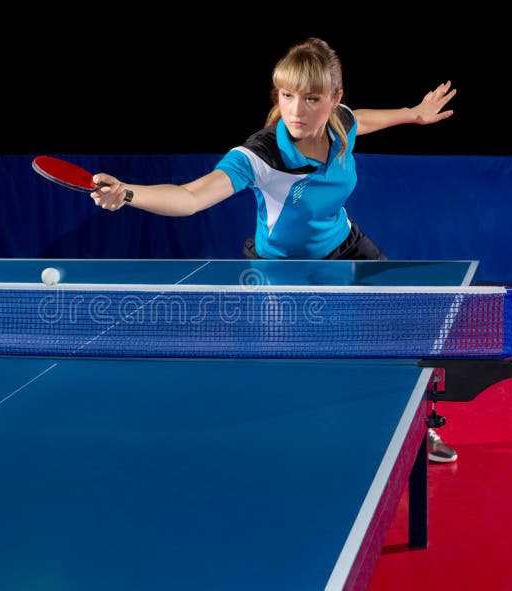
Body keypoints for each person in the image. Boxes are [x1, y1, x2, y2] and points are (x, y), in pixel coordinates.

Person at [88, 37, 458, 462]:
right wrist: (128, 193)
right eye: (287, 95)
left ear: (335, 99)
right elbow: (190, 197)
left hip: (347, 246)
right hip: (283, 271)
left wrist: (414, 114)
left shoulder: (339, 124)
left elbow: (362, 120)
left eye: (311, 98)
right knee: (294, 367)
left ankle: (420, 427)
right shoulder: (258, 156)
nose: (297, 111)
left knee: (405, 328)